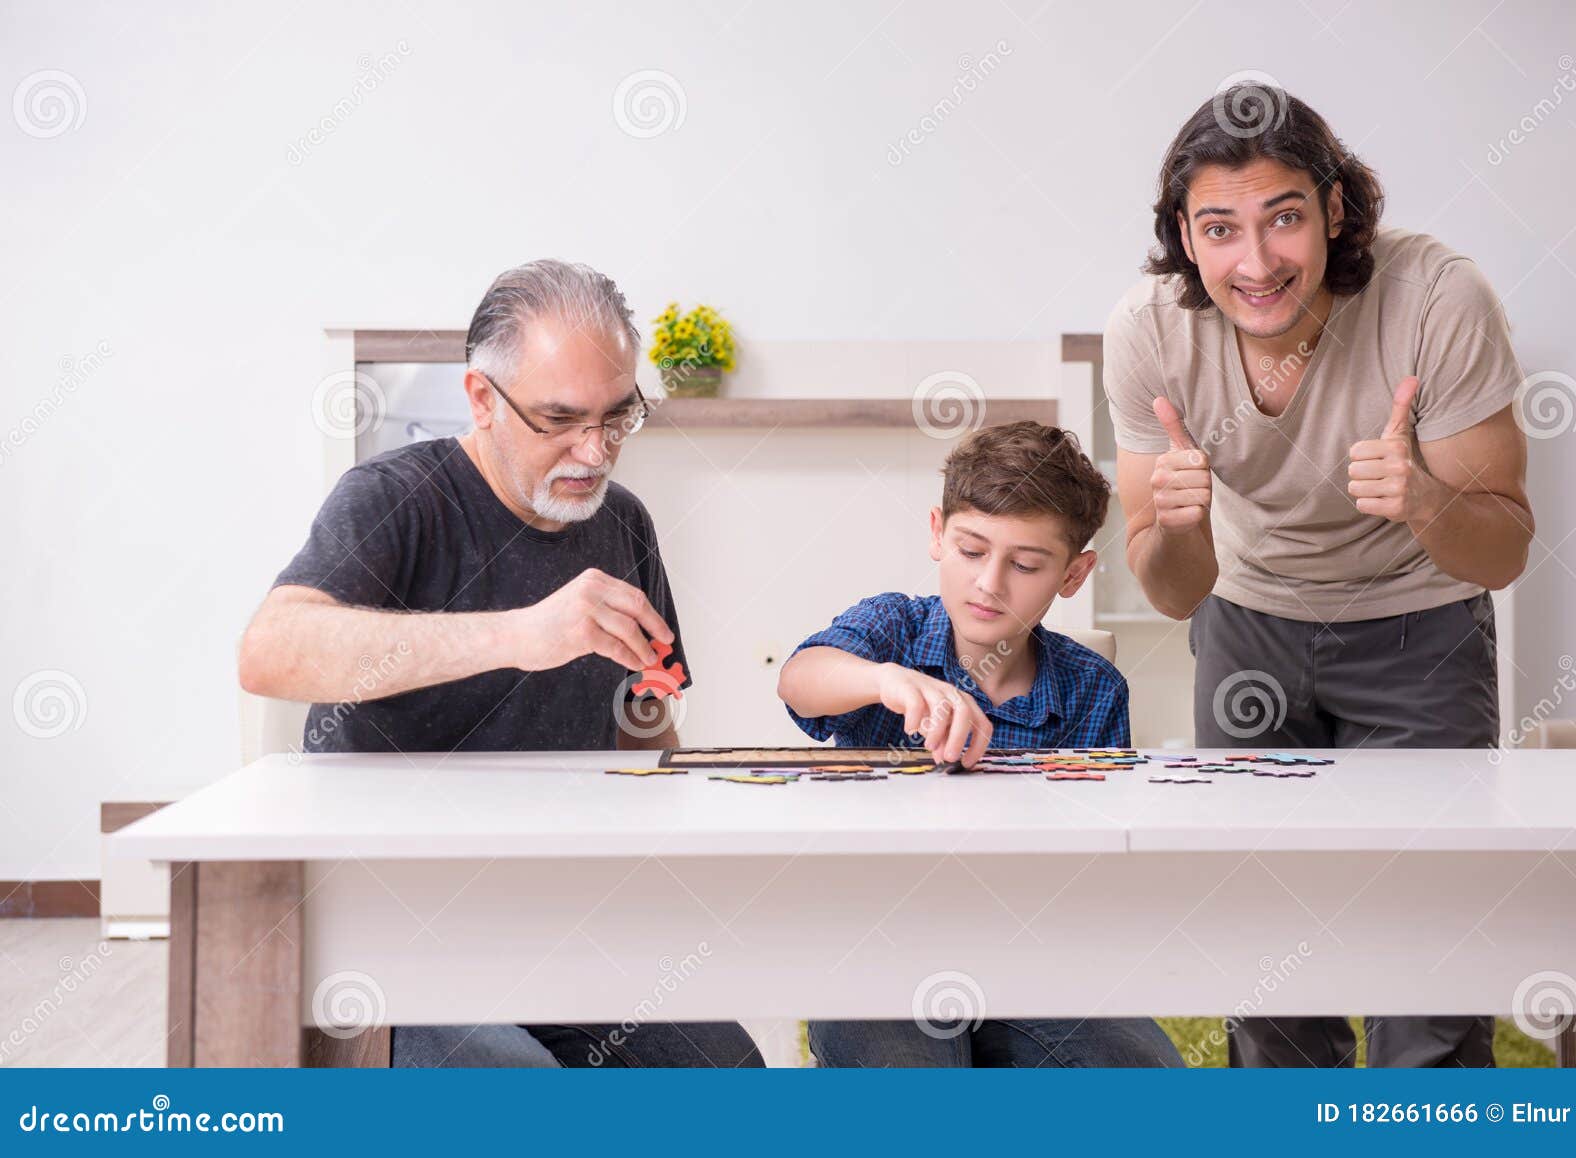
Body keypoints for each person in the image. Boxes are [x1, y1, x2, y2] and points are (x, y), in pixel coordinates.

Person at [238, 258, 763, 1069]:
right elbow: (271, 651)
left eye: (618, 415)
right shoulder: (394, 498)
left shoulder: (623, 522)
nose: (595, 450)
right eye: (560, 419)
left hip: (559, 925)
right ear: (482, 399)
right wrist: (519, 636)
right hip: (390, 933)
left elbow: (645, 716)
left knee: (729, 1073)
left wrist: (666, 811)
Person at [1104, 85, 1533, 1068]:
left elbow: (1505, 551)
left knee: (1426, 966)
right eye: (1221, 229)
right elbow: (1172, 591)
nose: (1256, 264)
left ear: (1335, 208)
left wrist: (1424, 501)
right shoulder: (1148, 332)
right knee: (1268, 966)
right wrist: (1180, 525)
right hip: (1248, 623)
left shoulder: (1437, 298)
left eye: (1284, 217)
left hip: (1422, 629)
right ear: (1185, 234)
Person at [777, 421, 1182, 1068]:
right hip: (876, 949)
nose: (990, 582)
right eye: (971, 551)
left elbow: (1094, 871)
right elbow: (801, 681)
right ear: (937, 534)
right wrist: (886, 680)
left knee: (1142, 1069)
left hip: (1027, 956)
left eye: (1025, 565)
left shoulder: (1094, 688)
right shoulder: (893, 628)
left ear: (1074, 574)